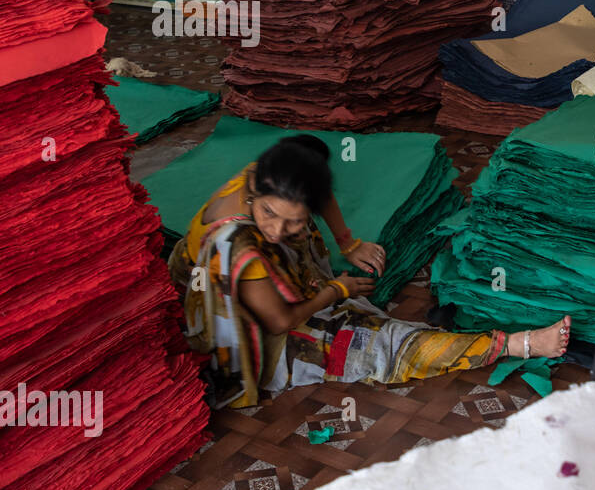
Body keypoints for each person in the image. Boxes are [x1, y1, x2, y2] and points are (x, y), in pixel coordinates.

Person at [168, 133, 570, 409]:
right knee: (378, 343)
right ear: (255, 195)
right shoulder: (240, 245)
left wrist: (348, 243)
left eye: (293, 219)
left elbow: (315, 195)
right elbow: (278, 321)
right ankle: (518, 344)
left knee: (307, 248)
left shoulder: (273, 175)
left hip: (235, 281)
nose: (276, 230)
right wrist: (336, 291)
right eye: (270, 214)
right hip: (249, 325)